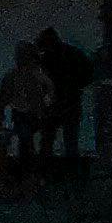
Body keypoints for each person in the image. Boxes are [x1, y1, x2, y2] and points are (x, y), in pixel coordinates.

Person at [0, 38, 60, 170]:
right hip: (24, 115)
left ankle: (36, 167)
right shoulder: (16, 77)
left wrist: (47, 107)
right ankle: (30, 169)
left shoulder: (35, 76)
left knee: (36, 141)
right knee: (26, 141)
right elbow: (2, 100)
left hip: (35, 114)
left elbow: (50, 93)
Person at [32, 24, 95, 162]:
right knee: (69, 140)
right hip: (69, 102)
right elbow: (89, 74)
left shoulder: (47, 59)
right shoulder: (73, 54)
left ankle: (46, 170)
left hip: (58, 104)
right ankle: (70, 171)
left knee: (49, 139)